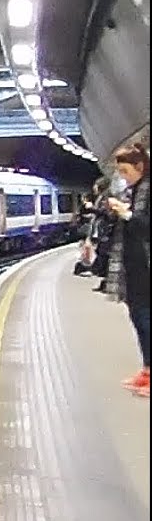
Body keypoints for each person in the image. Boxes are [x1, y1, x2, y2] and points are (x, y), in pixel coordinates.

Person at [106, 142, 150, 395]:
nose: (123, 177)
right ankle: (146, 370)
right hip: (133, 267)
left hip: (146, 267)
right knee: (139, 318)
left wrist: (128, 215)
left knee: (146, 319)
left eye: (125, 171)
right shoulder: (133, 192)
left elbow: (145, 226)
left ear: (140, 167)